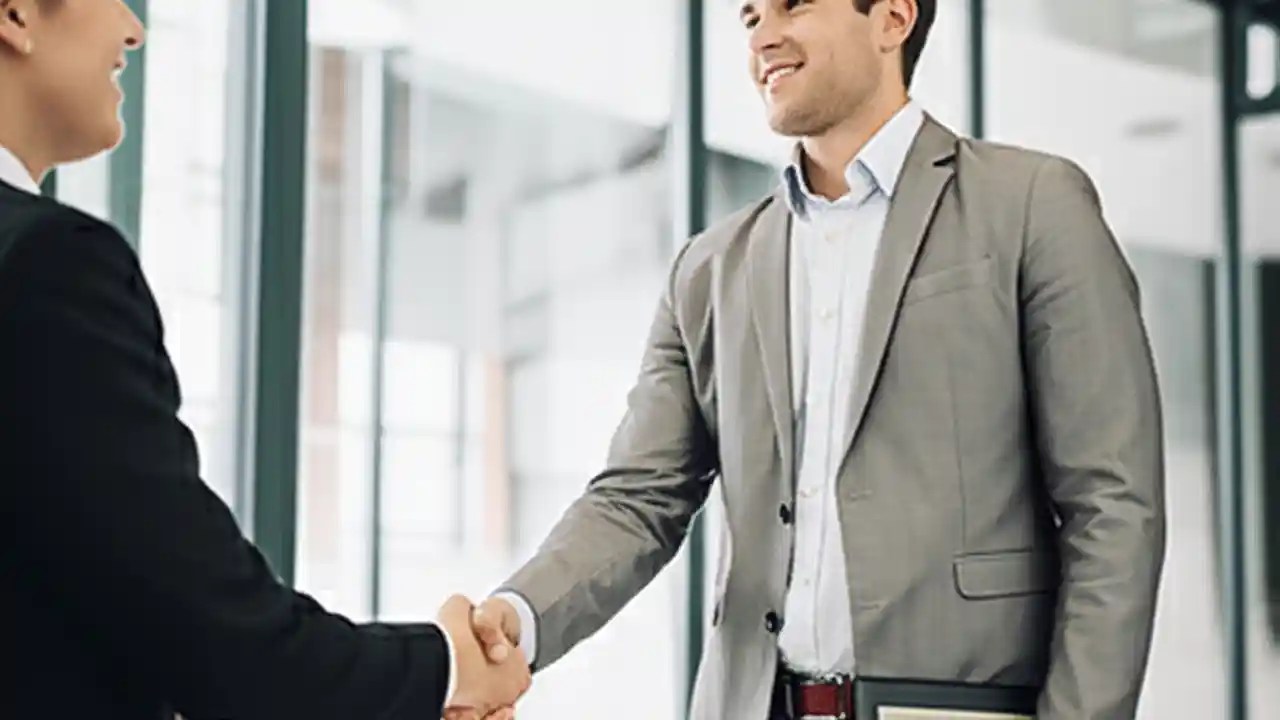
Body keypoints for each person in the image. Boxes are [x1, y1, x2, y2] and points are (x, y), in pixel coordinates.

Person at [460, 1, 1167, 718]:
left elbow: (1111, 503)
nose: (764, 36)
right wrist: (515, 621)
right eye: (749, 17)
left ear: (893, 19)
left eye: (793, 5)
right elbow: (638, 499)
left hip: (956, 704)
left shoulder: (1033, 206)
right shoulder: (708, 270)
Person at [0, 1, 531, 718]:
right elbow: (217, 643)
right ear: (16, 15)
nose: (133, 28)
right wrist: (447, 668)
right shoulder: (48, 264)